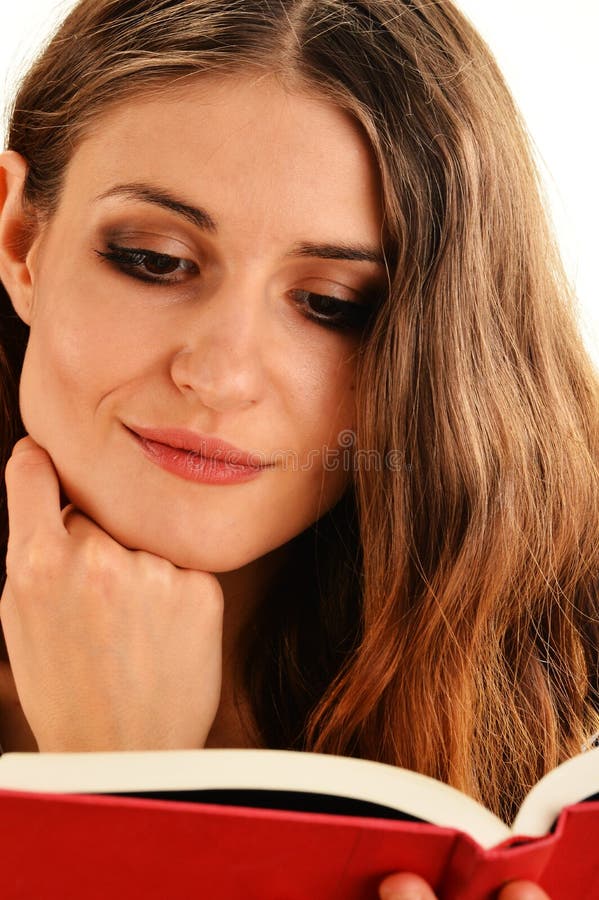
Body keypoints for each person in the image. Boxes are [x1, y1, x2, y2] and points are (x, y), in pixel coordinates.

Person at [0, 1, 596, 897]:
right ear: (20, 239)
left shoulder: (570, 706)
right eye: (154, 259)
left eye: (330, 306)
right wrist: (122, 792)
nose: (221, 375)